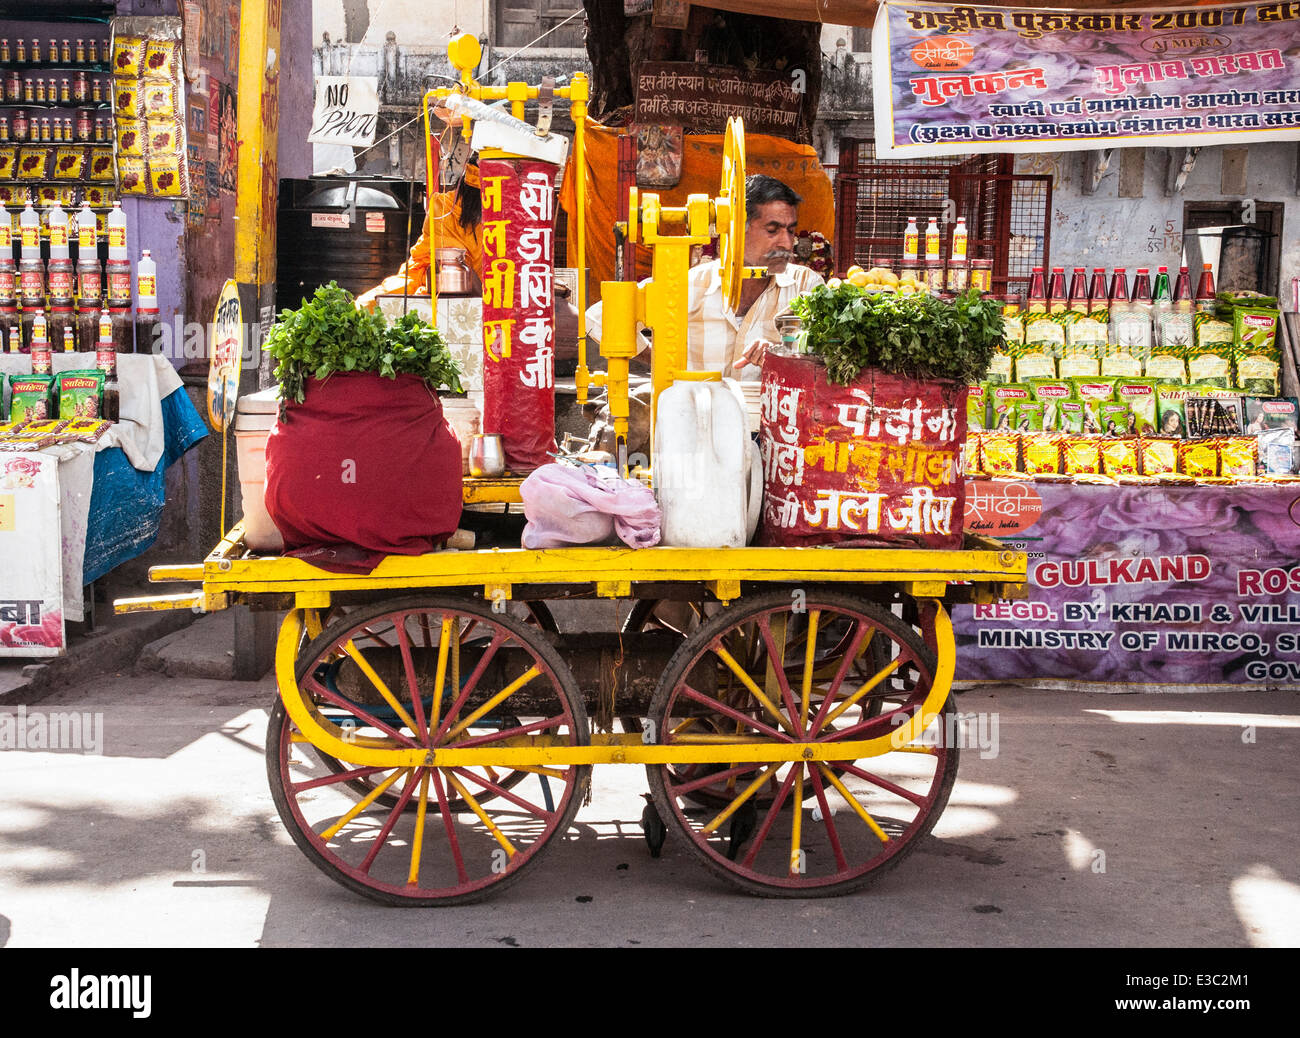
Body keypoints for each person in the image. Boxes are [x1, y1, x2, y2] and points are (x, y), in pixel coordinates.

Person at [586, 174, 824, 380]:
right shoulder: (690, 286)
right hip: (699, 426)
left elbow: (828, 359)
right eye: (772, 230)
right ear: (736, 227)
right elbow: (601, 319)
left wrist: (781, 355)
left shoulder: (806, 287)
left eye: (790, 230)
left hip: (773, 428)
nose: (786, 242)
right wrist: (662, 361)